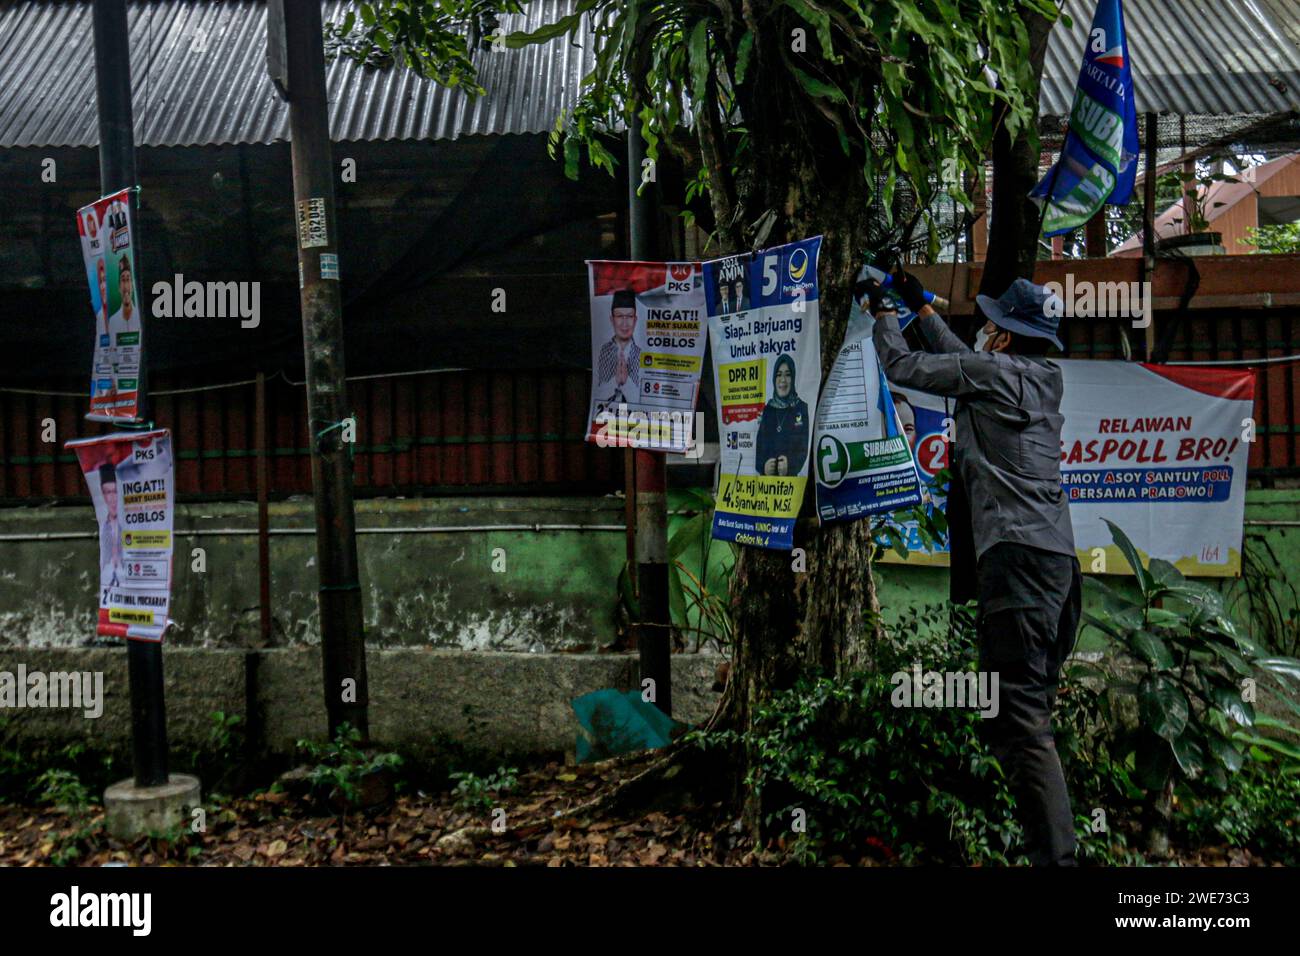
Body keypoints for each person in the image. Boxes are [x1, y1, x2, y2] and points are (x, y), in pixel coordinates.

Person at [859, 270, 1081, 867]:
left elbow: (907, 370)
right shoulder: (1037, 377)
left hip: (1018, 564)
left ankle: (1057, 860)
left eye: (990, 325)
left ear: (1004, 338)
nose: (982, 332)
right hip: (1055, 564)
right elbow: (964, 364)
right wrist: (920, 306)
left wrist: (883, 312)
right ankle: (1050, 851)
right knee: (1023, 713)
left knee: (1021, 720)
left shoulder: (996, 373)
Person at [754, 353, 810, 477]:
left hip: (790, 486)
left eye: (788, 375)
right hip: (767, 485)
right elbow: (759, 449)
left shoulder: (801, 408)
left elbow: (803, 449)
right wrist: (764, 466)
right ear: (774, 379)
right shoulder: (768, 409)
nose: (783, 380)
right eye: (779, 375)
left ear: (793, 378)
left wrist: (790, 465)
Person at [595, 289, 641, 405]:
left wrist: (627, 383)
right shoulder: (603, 351)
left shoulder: (641, 353)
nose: (624, 324)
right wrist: (615, 382)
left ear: (635, 320)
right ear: (612, 319)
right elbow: (599, 390)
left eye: (629, 316)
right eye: (620, 316)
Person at [98, 462, 125, 591]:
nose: (113, 498)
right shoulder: (104, 528)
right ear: (103, 495)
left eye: (116, 491)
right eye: (108, 492)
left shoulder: (128, 525)